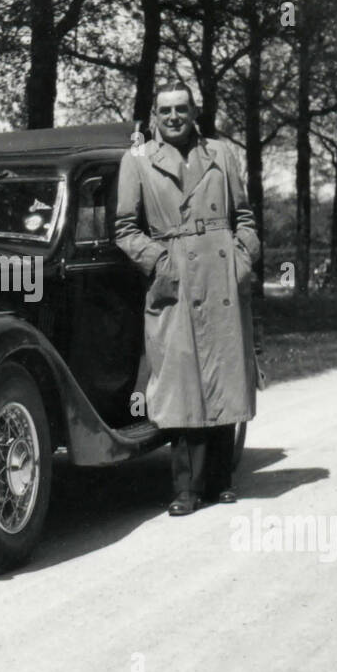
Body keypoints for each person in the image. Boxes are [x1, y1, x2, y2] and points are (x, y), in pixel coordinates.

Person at [114, 80, 261, 515]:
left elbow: (246, 218)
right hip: (174, 274)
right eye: (165, 110)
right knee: (181, 380)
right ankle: (186, 489)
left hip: (220, 276)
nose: (174, 116)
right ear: (154, 116)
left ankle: (221, 480)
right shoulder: (136, 159)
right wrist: (161, 262)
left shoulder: (222, 154)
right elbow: (125, 228)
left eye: (182, 108)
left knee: (224, 371)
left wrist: (241, 259)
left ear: (195, 112)